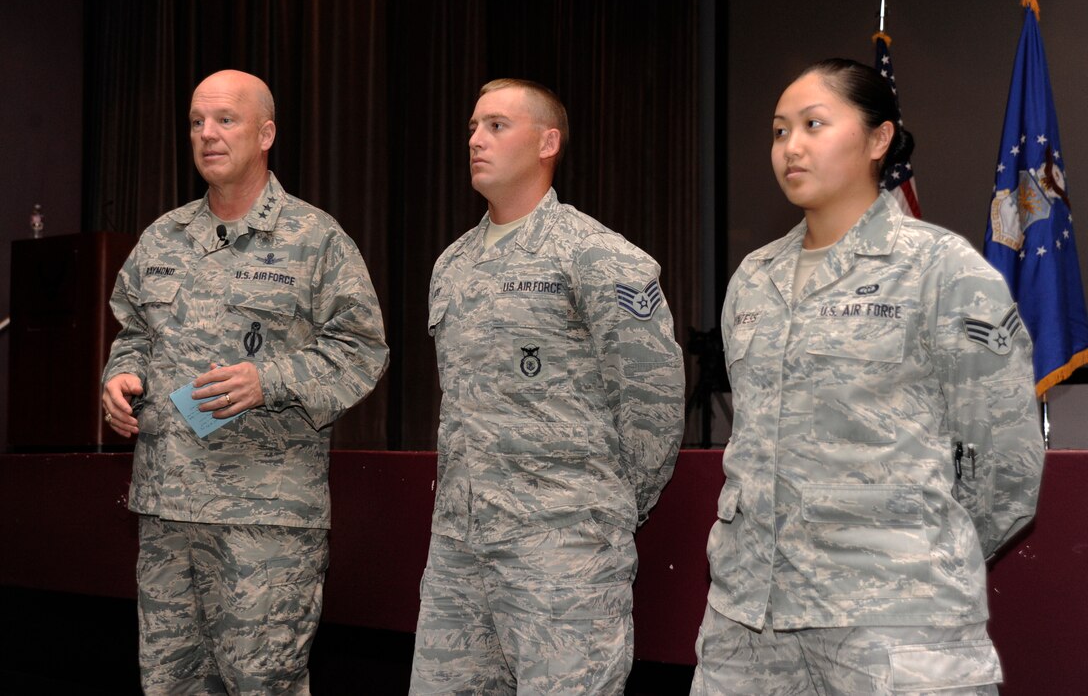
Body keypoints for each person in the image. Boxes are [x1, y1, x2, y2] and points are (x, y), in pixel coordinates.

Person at [690, 58, 1045, 695]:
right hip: (748, 626)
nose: (790, 146)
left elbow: (1006, 466)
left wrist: (911, 556)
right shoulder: (754, 278)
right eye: (778, 131)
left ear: (879, 139)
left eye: (813, 124)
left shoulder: (941, 270)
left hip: (894, 626)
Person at [101, 69, 389, 694]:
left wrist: (273, 379)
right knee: (170, 686)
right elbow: (133, 333)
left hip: (266, 521)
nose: (207, 134)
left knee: (263, 685)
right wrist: (120, 375)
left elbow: (363, 350)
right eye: (196, 122)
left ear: (266, 133)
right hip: (166, 510)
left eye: (225, 120)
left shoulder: (315, 239)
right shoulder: (162, 238)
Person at [409, 78, 686, 694]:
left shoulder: (599, 258)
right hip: (460, 550)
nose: (477, 139)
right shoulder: (453, 265)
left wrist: (597, 511)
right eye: (473, 128)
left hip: (564, 556)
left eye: (498, 126)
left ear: (547, 142)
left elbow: (654, 406)